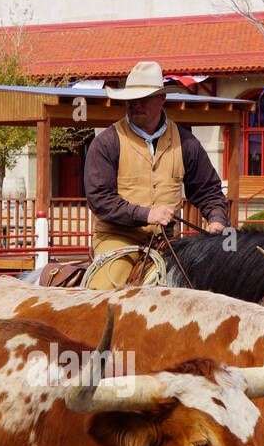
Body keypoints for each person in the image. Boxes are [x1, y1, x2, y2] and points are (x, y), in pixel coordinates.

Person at [83, 60, 229, 288]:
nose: (136, 104)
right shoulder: (107, 142)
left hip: (168, 243)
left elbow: (208, 191)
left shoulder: (186, 143)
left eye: (143, 98)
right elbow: (100, 199)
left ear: (162, 99)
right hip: (116, 239)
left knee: (206, 287)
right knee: (106, 288)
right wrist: (146, 214)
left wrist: (217, 220)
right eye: (131, 99)